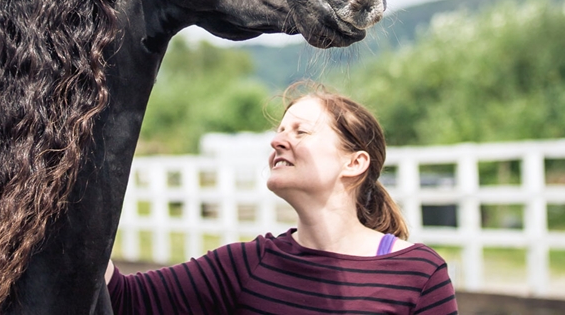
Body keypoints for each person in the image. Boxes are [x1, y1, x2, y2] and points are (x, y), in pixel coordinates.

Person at [105, 83, 459, 314]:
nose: (277, 141)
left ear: (354, 163)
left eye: (300, 132)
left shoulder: (420, 274)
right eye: (279, 131)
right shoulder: (246, 264)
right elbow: (124, 299)